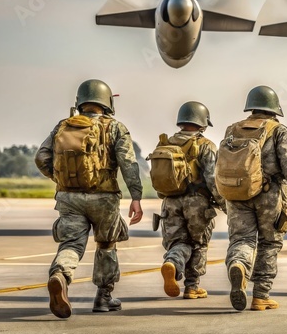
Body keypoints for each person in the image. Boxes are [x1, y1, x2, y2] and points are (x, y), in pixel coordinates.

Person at [35, 79, 144, 318]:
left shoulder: (63, 126)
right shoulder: (115, 127)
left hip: (69, 198)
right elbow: (128, 164)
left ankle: (60, 275)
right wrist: (136, 196)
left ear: (80, 102)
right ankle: (103, 297)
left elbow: (41, 157)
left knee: (71, 244)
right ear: (107, 103)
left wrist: (61, 179)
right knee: (106, 245)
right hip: (103, 199)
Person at [220, 86, 287, 311]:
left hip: (236, 195)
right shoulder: (278, 130)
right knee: (269, 243)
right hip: (270, 195)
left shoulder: (232, 129)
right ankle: (260, 296)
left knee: (242, 240)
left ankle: (238, 263)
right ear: (274, 108)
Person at [156, 101, 225, 300]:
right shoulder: (205, 146)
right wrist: (223, 203)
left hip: (169, 202)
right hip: (197, 203)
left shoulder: (165, 144)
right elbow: (213, 179)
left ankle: (172, 262)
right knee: (199, 244)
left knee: (178, 242)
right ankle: (192, 286)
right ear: (203, 123)